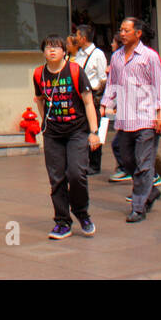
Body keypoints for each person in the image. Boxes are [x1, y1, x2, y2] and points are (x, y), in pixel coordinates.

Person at [33, 35, 100, 239]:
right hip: (53, 133)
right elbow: (39, 99)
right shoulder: (38, 74)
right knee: (57, 179)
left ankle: (82, 213)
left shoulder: (75, 70)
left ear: (64, 51)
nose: (52, 50)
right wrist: (44, 122)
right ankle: (62, 221)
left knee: (77, 174)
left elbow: (88, 102)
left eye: (56, 47)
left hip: (76, 131)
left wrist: (94, 132)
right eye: (48, 47)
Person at [100, 17, 161, 223]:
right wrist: (105, 103)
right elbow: (112, 83)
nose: (122, 33)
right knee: (126, 158)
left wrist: (160, 114)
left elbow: (159, 85)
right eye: (120, 30)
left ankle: (138, 206)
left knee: (144, 163)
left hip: (146, 117)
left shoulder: (149, 56)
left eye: (126, 30)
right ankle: (150, 191)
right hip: (125, 118)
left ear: (138, 33)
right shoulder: (117, 57)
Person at [71, 24, 107, 179]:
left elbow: (103, 79)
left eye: (77, 35)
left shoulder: (98, 54)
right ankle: (83, 161)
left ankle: (94, 164)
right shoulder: (79, 54)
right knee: (81, 127)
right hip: (78, 96)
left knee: (94, 127)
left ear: (84, 38)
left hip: (91, 95)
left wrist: (97, 94)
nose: (75, 38)